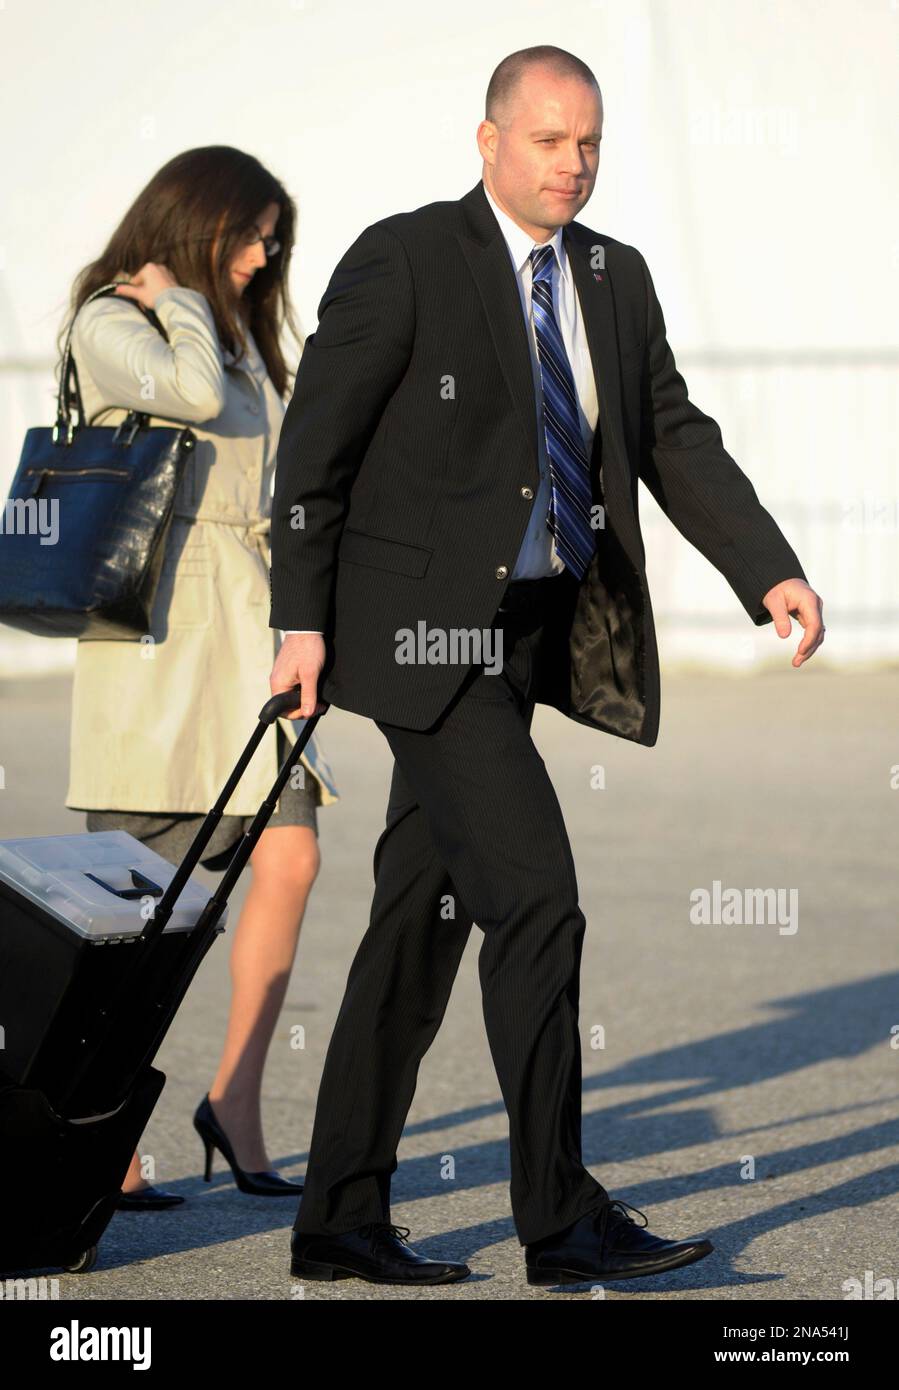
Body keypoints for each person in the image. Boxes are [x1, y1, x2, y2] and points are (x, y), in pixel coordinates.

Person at [268, 48, 824, 1286]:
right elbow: (312, 449)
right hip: (423, 641)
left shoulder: (612, 278)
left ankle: (337, 1218)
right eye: (546, 141)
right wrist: (298, 620)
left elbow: (669, 432)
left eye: (588, 143)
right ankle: (559, 1220)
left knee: (418, 923)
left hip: (524, 639)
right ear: (486, 140)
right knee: (535, 901)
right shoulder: (407, 257)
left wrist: (763, 566)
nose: (570, 164)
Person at [60, 146, 338, 1209]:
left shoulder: (241, 336)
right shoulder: (114, 319)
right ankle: (106, 1128)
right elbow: (177, 394)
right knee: (141, 906)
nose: (266, 257)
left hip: (253, 623)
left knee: (292, 855)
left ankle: (236, 1101)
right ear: (192, 223)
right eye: (251, 233)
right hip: (160, 634)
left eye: (276, 238)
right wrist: (176, 300)